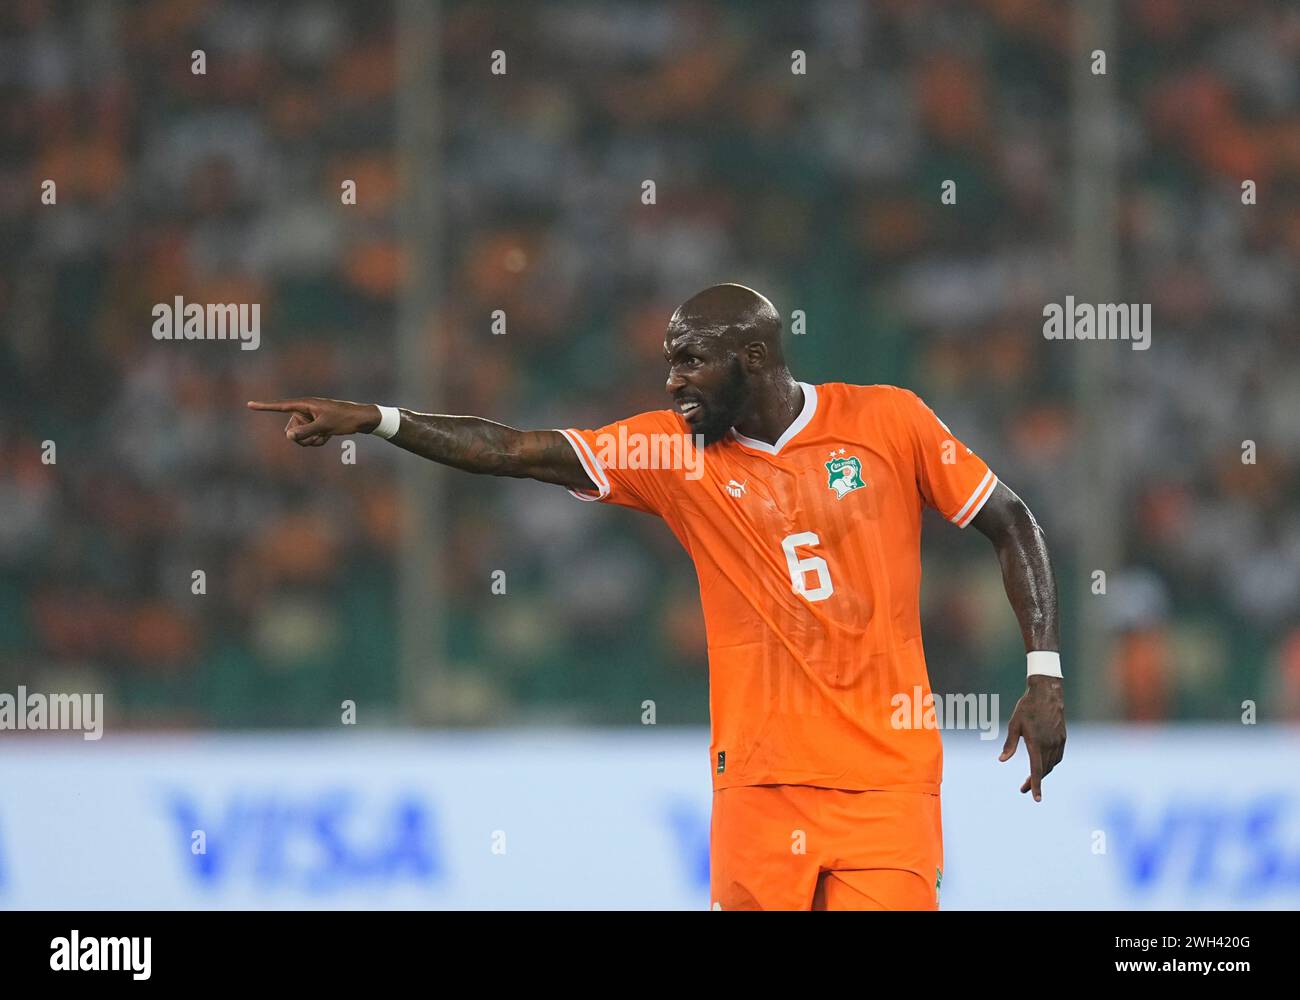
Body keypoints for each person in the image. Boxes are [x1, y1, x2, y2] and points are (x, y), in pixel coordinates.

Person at [248, 282, 1066, 910]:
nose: (673, 379)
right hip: (758, 783)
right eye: (669, 361)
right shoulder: (672, 453)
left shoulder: (889, 422)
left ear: (751, 359)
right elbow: (512, 450)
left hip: (887, 786)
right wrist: (378, 419)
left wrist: (1044, 672)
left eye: (690, 361)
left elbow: (1012, 520)